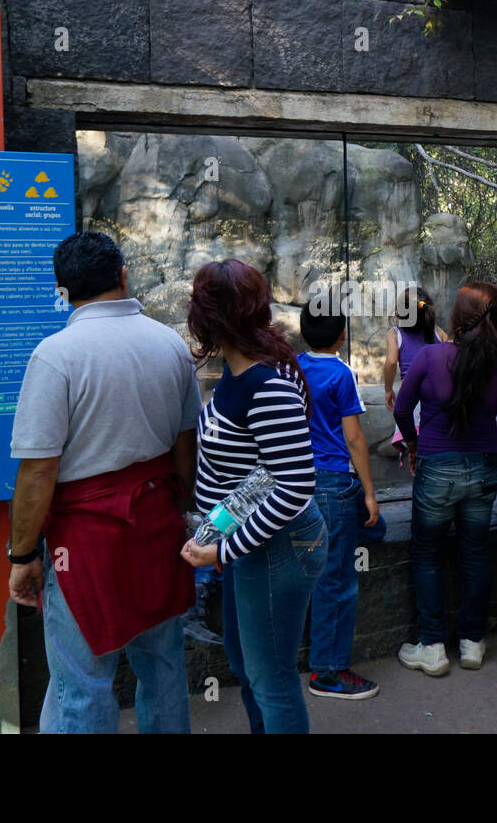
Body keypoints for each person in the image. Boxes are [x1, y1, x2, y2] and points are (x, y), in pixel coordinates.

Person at [8, 231, 199, 734]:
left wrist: (21, 554)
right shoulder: (170, 345)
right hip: (160, 527)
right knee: (163, 668)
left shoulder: (55, 355)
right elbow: (185, 447)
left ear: (63, 289)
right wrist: (182, 513)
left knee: (82, 682)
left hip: (86, 540)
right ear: (122, 276)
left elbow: (38, 470)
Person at [180, 260, 325, 734]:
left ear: (210, 319)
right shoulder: (238, 373)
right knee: (246, 666)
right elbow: (257, 476)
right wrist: (218, 532)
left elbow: (295, 484)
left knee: (271, 676)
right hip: (250, 544)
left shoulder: (266, 385)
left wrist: (223, 548)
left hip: (278, 547)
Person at [394, 282, 497, 676]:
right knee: (475, 552)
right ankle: (472, 642)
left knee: (427, 553)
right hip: (482, 470)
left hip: (436, 467)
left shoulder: (430, 357)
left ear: (456, 316)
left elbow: (403, 410)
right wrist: (492, 436)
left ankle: (432, 646)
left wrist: (415, 444)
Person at [297, 301, 382, 700]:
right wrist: (368, 491)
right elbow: (354, 439)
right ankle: (328, 672)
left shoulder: (292, 367)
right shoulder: (340, 373)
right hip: (332, 483)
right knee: (336, 579)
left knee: (313, 568)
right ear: (342, 335)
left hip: (294, 483)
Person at [384, 286, 447, 468]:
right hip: (438, 393)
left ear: (398, 313)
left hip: (412, 395)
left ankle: (418, 470)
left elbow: (390, 362)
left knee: (415, 442)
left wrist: (388, 389)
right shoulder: (438, 332)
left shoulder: (394, 333)